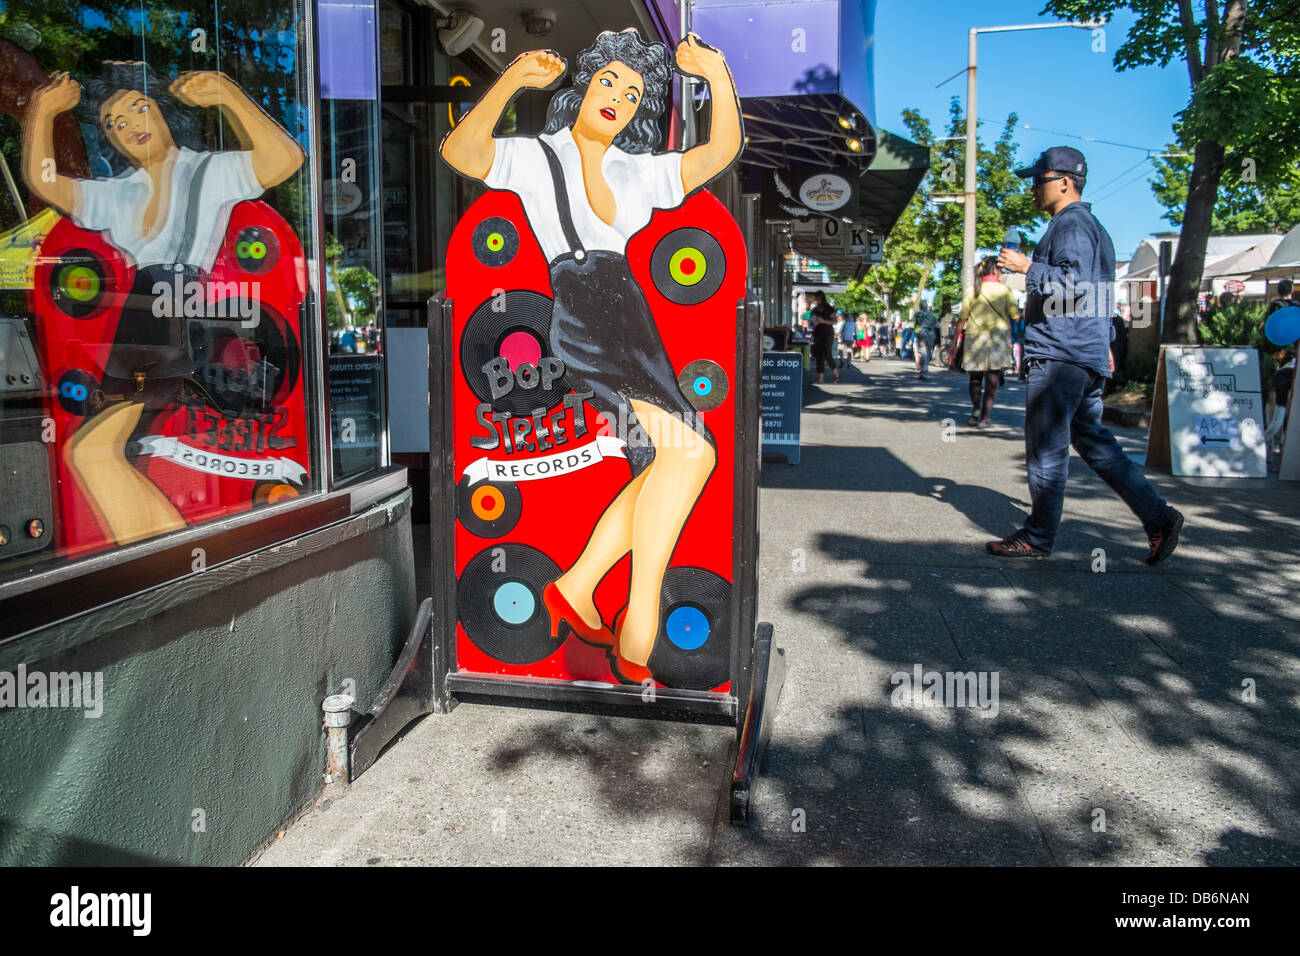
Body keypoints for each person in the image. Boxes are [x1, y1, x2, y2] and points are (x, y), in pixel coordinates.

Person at [439, 29, 742, 682]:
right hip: (582, 308)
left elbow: (721, 148)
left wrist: (715, 75)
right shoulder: (537, 156)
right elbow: (460, 151)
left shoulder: (638, 169)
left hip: (629, 313)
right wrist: (513, 82)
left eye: (632, 94)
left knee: (669, 459)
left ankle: (577, 587)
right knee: (693, 453)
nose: (618, 98)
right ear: (582, 89)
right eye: (608, 82)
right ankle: (638, 624)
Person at [22, 60, 304, 545]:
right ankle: (168, 555)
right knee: (99, 451)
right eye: (114, 123)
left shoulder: (207, 171)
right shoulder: (120, 194)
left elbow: (285, 159)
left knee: (91, 452)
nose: (128, 126)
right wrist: (43, 114)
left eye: (138, 109)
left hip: (177, 316)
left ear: (166, 115)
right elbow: (46, 183)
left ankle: (168, 558)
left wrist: (228, 97)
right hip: (136, 325)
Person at [991, 146, 1183, 563]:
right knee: (1097, 445)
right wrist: (1104, 343)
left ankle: (1038, 537)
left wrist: (1028, 269)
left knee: (1047, 448)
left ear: (1063, 182)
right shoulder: (1091, 227)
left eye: (1038, 180)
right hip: (1081, 352)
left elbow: (1074, 286)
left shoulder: (1072, 226)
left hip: (1061, 355)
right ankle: (1159, 518)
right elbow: (1096, 294)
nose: (1032, 188)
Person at [955, 256, 1017, 427]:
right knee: (992, 381)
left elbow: (961, 320)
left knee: (975, 379)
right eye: (1001, 270)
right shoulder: (1004, 291)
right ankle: (984, 418)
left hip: (975, 339)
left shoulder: (972, 290)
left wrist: (954, 344)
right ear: (996, 270)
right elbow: (1016, 316)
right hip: (997, 339)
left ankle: (975, 409)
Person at [911, 302, 939, 379]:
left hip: (921, 335)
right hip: (930, 335)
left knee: (923, 353)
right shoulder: (932, 315)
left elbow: (912, 325)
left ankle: (924, 372)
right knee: (928, 353)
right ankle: (924, 371)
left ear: (920, 307)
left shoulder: (917, 314)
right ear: (927, 307)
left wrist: (913, 334)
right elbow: (937, 326)